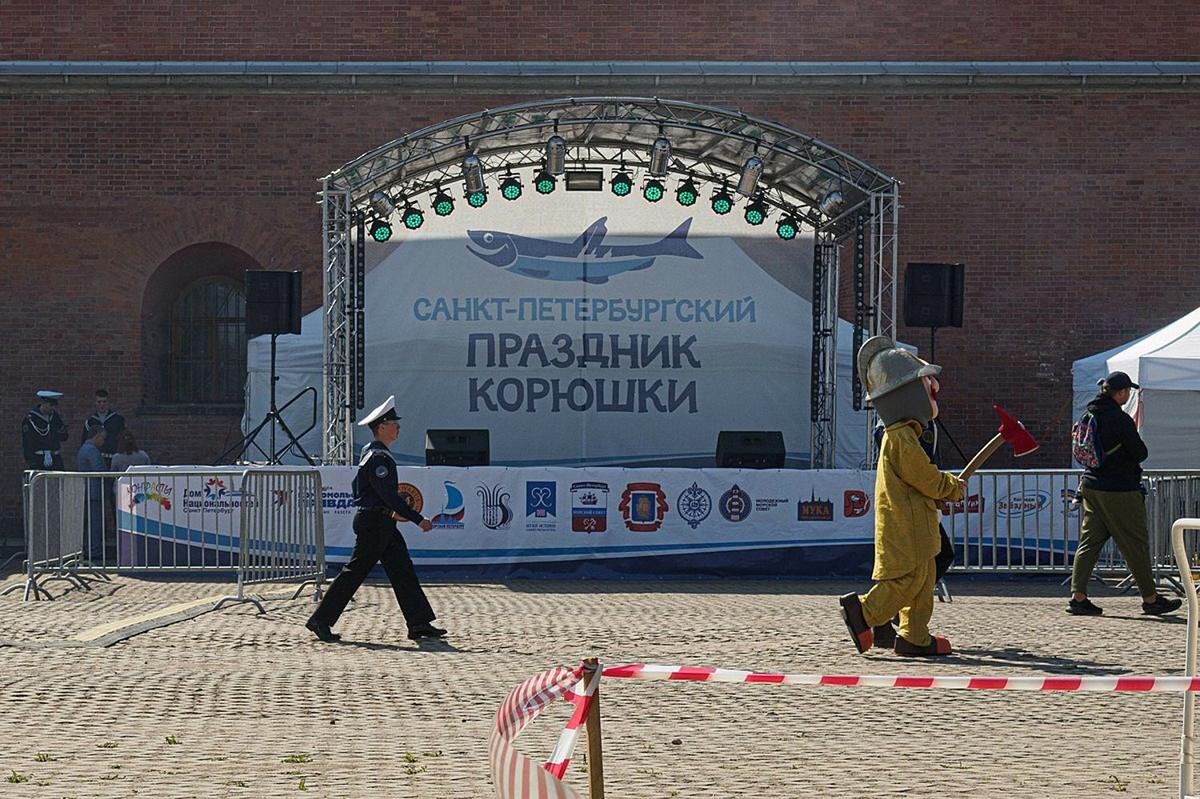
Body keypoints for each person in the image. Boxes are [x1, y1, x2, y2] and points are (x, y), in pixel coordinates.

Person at [839, 337, 965, 657]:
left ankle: (914, 636)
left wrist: (938, 494)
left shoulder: (907, 433)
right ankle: (863, 613)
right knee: (907, 580)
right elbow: (922, 476)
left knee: (923, 583)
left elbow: (917, 482)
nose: (932, 388)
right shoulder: (900, 438)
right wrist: (949, 487)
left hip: (916, 524)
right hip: (906, 525)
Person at [305, 395, 447, 643]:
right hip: (375, 523)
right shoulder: (378, 458)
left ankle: (418, 622)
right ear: (382, 427)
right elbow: (388, 495)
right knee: (355, 572)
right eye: (394, 423)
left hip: (382, 523)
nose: (398, 427)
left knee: (402, 570)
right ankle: (321, 620)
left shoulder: (372, 453)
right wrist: (418, 519)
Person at [1068, 371, 1181, 617]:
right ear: (1120, 393)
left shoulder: (1088, 414)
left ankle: (1078, 597)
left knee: (1089, 543)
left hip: (1091, 486)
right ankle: (1151, 599)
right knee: (1135, 543)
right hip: (1119, 489)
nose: (1128, 395)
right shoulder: (1118, 419)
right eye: (1127, 391)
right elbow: (1140, 452)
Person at [76, 421, 108, 561]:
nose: (103, 441)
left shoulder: (84, 448)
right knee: (95, 523)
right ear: (96, 436)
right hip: (93, 491)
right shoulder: (91, 450)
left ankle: (90, 549)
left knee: (91, 522)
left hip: (88, 490)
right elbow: (99, 470)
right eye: (103, 438)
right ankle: (94, 551)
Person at [22, 390, 68, 470]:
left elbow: (64, 437)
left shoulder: (55, 417)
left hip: (55, 458)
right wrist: (31, 461)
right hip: (39, 459)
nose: (53, 408)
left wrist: (62, 431)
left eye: (54, 406)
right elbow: (27, 442)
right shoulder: (31, 419)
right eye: (51, 405)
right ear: (44, 403)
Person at [83, 389, 126, 469]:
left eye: (104, 401)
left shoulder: (118, 420)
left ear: (108, 402)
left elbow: (123, 438)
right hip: (96, 458)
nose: (102, 404)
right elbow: (85, 442)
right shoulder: (90, 422)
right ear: (95, 403)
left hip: (114, 457)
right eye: (99, 402)